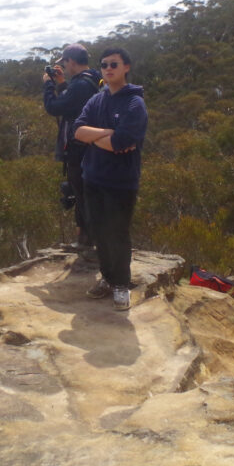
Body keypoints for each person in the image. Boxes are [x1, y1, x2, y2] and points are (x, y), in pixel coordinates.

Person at [73, 47, 148, 311]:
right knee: (99, 232)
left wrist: (102, 139)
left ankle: (121, 284)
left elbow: (122, 142)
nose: (108, 68)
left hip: (121, 182)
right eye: (104, 64)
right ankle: (106, 277)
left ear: (126, 67)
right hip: (92, 178)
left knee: (118, 234)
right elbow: (78, 131)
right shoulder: (97, 100)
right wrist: (107, 134)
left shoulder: (134, 103)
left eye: (114, 64)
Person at [42, 43, 101, 250]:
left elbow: (54, 107)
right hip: (90, 146)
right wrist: (61, 83)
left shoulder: (80, 85)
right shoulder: (93, 79)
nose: (64, 67)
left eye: (64, 63)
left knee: (82, 194)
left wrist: (48, 85)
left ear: (72, 61)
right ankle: (85, 240)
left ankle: (91, 244)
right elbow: (73, 103)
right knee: (80, 193)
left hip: (78, 148)